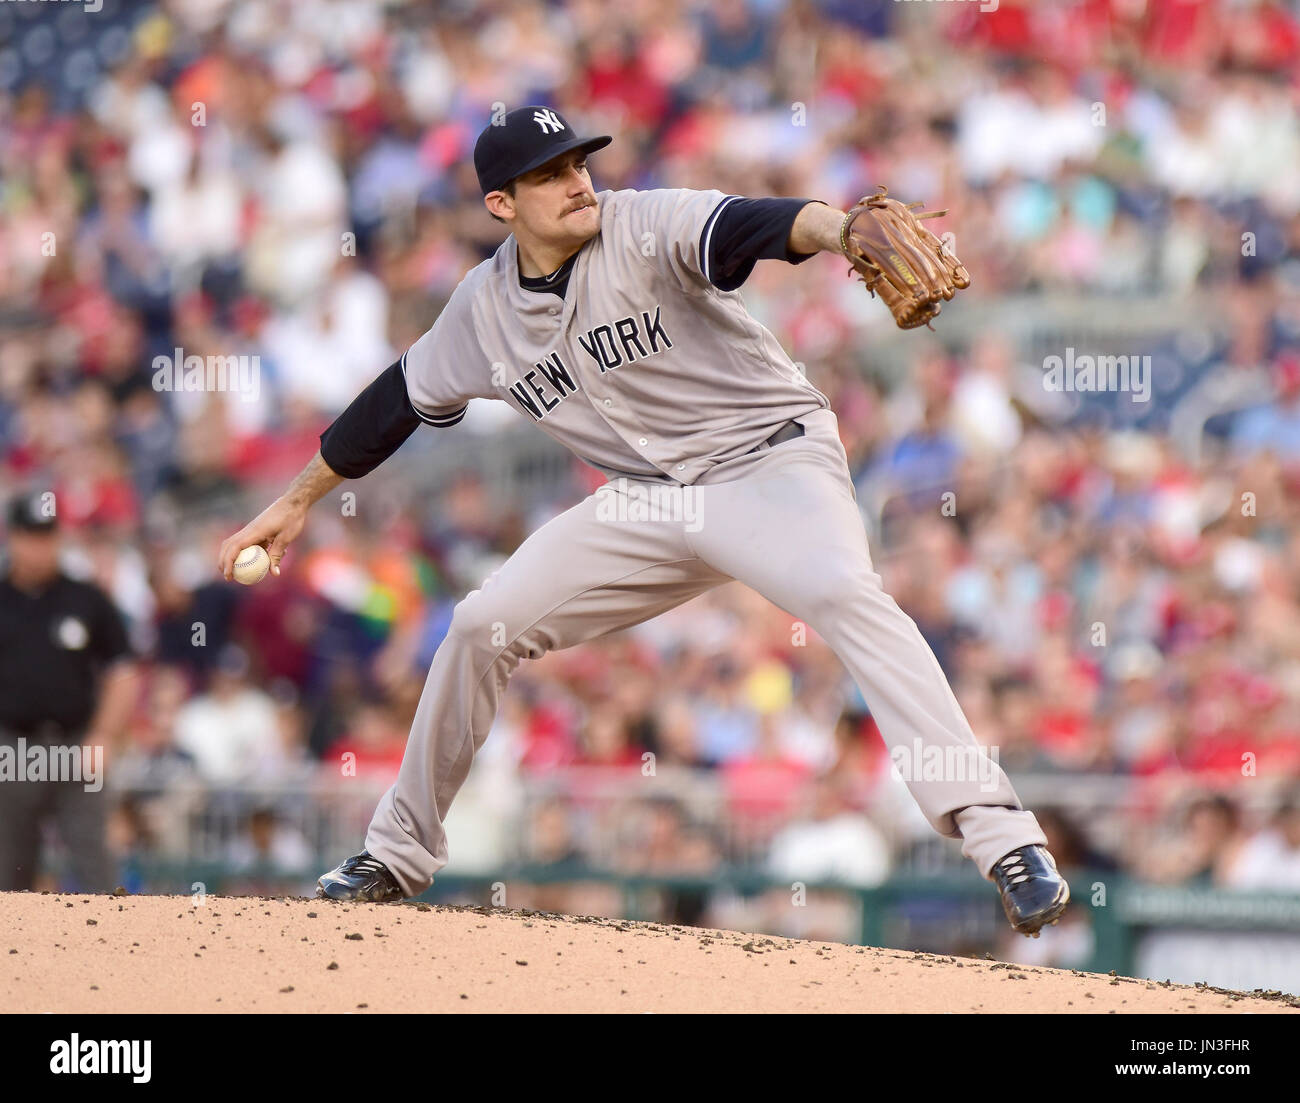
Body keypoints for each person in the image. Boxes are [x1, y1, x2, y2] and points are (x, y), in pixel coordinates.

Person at [219, 106, 1068, 936]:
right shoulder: (481, 312)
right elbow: (390, 404)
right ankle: (396, 852)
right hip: (646, 499)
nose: (576, 183)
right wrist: (295, 501)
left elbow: (759, 225)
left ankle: (1005, 841)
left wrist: (843, 230)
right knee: (481, 623)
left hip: (769, 461)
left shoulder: (643, 223)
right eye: (548, 176)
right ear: (500, 206)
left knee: (848, 596)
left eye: (578, 165)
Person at [0, 492, 139, 891]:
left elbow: (123, 670)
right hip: (12, 747)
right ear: (14, 537)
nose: (39, 547)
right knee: (9, 869)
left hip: (77, 746)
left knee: (97, 865)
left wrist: (104, 735)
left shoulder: (86, 598)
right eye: (30, 536)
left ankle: (114, 949)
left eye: (46, 536)